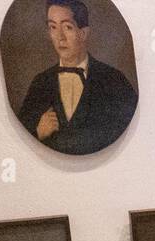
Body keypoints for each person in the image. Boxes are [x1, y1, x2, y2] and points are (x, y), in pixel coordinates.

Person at [17, 0, 138, 155]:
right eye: (53, 27)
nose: (60, 37)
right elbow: (18, 143)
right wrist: (38, 131)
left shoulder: (114, 81)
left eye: (68, 27)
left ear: (83, 33)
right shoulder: (40, 83)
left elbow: (132, 138)